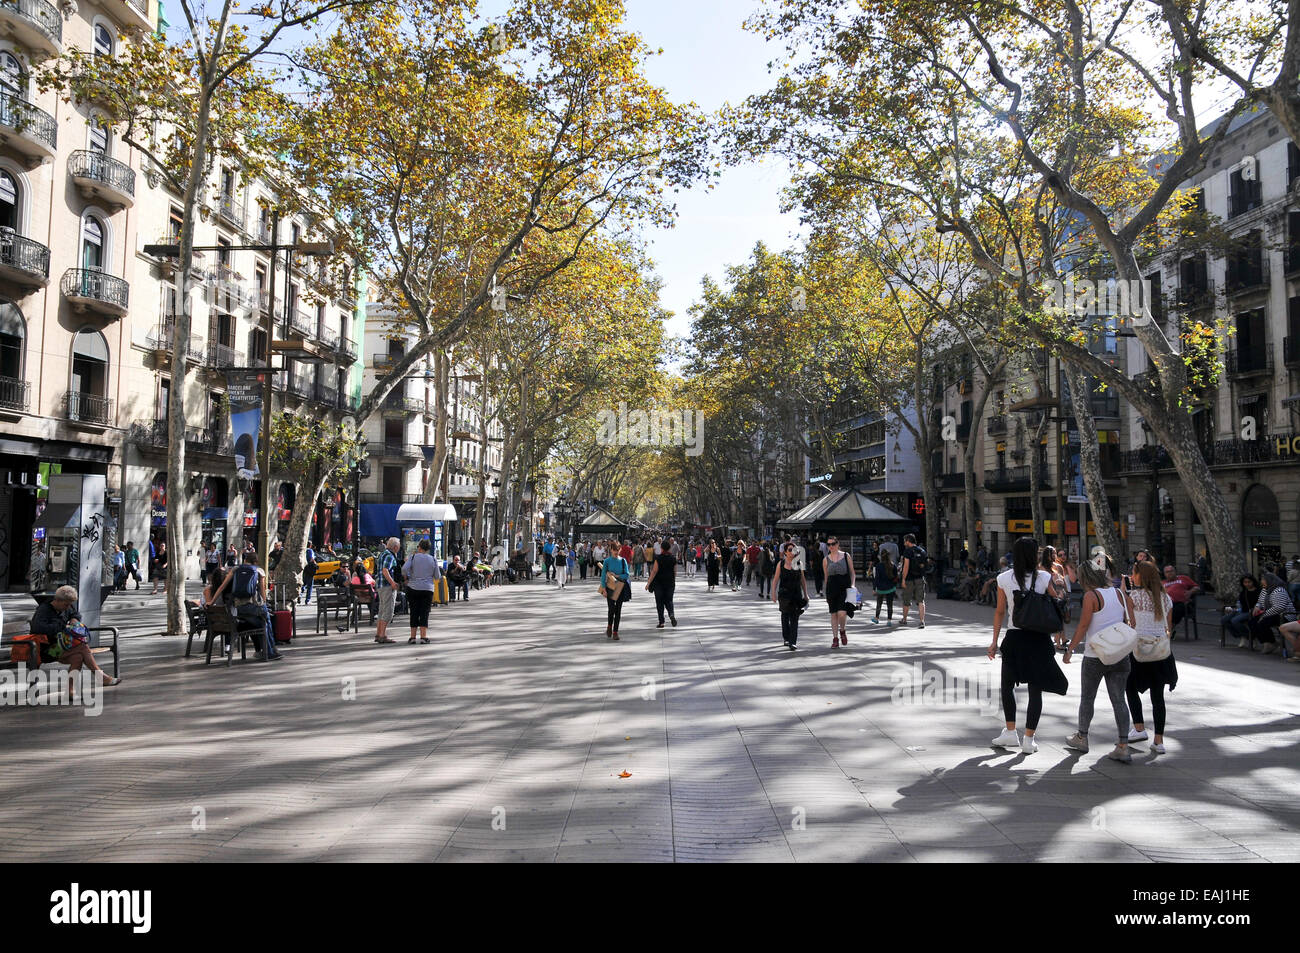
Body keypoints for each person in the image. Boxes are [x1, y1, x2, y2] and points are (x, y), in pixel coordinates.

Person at [988, 536, 1066, 755]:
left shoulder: (1003, 578)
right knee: (1035, 690)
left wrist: (994, 642)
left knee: (1007, 685)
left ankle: (1010, 731)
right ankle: (1029, 739)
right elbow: (1055, 603)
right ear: (1035, 556)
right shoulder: (1043, 577)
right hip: (1039, 639)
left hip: (1015, 637)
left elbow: (1000, 611)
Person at [1063, 553, 1133, 763]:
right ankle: (1123, 745)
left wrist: (1069, 650)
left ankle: (1082, 737)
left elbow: (1083, 626)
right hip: (1119, 654)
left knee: (1088, 698)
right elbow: (1132, 621)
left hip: (1095, 654)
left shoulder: (1091, 596)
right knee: (1119, 699)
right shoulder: (1120, 594)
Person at [1124, 561, 1177, 754]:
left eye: (1134, 573)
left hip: (1138, 649)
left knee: (1130, 687)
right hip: (1160, 652)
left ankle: (1138, 727)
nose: (1131, 575)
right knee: (1158, 697)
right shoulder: (1166, 598)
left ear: (1140, 576)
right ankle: (1159, 740)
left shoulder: (1134, 596)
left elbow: (1130, 623)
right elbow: (1168, 627)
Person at [29, 586, 122, 688]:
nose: (68, 607)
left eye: (70, 604)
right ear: (58, 600)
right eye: (66, 604)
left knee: (77, 658)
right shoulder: (44, 610)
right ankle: (101, 677)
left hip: (61, 645)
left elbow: (75, 614)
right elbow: (38, 628)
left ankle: (70, 689)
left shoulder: (67, 607)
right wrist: (63, 626)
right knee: (83, 647)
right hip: (45, 650)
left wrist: (74, 619)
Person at [211, 552, 283, 661]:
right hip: (254, 607)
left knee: (262, 622)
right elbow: (263, 593)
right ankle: (270, 650)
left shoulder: (235, 569)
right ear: (256, 562)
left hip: (239, 608)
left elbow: (221, 587)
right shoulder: (259, 570)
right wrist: (263, 602)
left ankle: (266, 651)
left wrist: (211, 602)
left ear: (245, 560)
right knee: (267, 620)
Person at [772, 541, 809, 650]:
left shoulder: (799, 564)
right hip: (784, 595)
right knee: (785, 616)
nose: (792, 552)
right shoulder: (781, 564)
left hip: (796, 594)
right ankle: (786, 637)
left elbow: (803, 580)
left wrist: (806, 594)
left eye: (794, 550)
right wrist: (773, 593)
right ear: (785, 552)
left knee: (794, 618)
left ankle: (793, 641)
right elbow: (775, 580)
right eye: (789, 550)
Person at [1249, 572, 1298, 654]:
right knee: (1252, 622)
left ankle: (1270, 642)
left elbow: (1279, 607)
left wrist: (1264, 615)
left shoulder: (1279, 590)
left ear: (1270, 580)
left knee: (1263, 622)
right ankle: (1268, 642)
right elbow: (1260, 601)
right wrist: (1257, 606)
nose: (1262, 582)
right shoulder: (1265, 589)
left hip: (1284, 615)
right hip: (1271, 614)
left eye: (1263, 580)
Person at [403, 538, 439, 644]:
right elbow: (437, 576)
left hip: (413, 587)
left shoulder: (413, 557)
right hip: (427, 589)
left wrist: (409, 576)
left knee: (414, 611)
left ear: (419, 547)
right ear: (428, 549)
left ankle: (412, 637)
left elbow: (404, 569)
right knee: (424, 612)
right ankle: (423, 637)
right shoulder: (432, 559)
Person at [823, 536, 856, 648]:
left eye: (833, 544)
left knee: (842, 613)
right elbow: (826, 577)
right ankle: (835, 638)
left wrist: (852, 585)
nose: (831, 546)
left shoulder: (846, 556)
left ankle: (843, 631)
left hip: (844, 588)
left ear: (837, 544)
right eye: (829, 544)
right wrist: (826, 591)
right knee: (833, 614)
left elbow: (852, 573)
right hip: (831, 589)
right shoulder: (825, 559)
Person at [600, 545, 632, 640]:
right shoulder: (607, 561)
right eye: (614, 550)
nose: (616, 552)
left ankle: (615, 632)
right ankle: (609, 626)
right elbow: (603, 576)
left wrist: (616, 575)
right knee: (611, 609)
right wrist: (604, 589)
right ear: (611, 550)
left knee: (618, 610)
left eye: (618, 550)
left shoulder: (623, 561)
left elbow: (626, 575)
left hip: (620, 587)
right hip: (610, 587)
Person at [373, 537, 401, 645]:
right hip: (386, 586)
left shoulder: (383, 554)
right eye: (398, 546)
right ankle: (382, 635)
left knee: (381, 610)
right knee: (388, 611)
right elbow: (385, 570)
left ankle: (378, 633)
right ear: (395, 547)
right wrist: (393, 583)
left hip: (380, 585)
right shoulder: (390, 556)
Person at [646, 537, 677, 628]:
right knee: (669, 600)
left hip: (659, 583)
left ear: (662, 548)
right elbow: (675, 572)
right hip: (670, 583)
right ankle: (671, 614)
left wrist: (648, 583)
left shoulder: (658, 558)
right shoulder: (673, 558)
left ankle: (661, 622)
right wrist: (672, 580)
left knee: (659, 602)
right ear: (669, 548)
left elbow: (654, 571)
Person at [1221, 575, 1261, 648]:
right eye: (1245, 582)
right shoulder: (1243, 591)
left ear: (1253, 582)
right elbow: (1239, 603)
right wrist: (1233, 609)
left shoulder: (1258, 591)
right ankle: (1242, 635)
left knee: (1235, 620)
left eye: (1249, 582)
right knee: (1224, 619)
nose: (1247, 584)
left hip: (1251, 612)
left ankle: (1250, 637)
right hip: (1241, 610)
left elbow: (1260, 603)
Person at [898, 534, 926, 629]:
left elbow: (906, 567)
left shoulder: (907, 551)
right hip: (920, 578)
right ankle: (922, 621)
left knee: (906, 599)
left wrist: (903, 579)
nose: (904, 543)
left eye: (905, 541)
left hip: (909, 579)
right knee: (920, 600)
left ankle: (904, 619)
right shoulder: (922, 551)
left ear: (908, 541)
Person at [1161, 564, 1200, 629]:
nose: (1170, 573)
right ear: (1164, 574)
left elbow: (1197, 587)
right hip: (1166, 604)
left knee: (1177, 608)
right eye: (1167, 572)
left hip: (1182, 604)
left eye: (1171, 571)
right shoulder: (1162, 583)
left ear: (1175, 571)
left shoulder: (1183, 578)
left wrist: (1190, 592)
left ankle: (1170, 628)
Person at [871, 551, 898, 624]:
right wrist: (894, 586)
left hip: (881, 589)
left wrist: (874, 588)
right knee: (890, 605)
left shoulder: (878, 566)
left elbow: (876, 578)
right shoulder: (893, 565)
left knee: (879, 604)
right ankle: (889, 621)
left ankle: (876, 618)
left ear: (881, 557)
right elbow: (896, 578)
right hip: (890, 588)